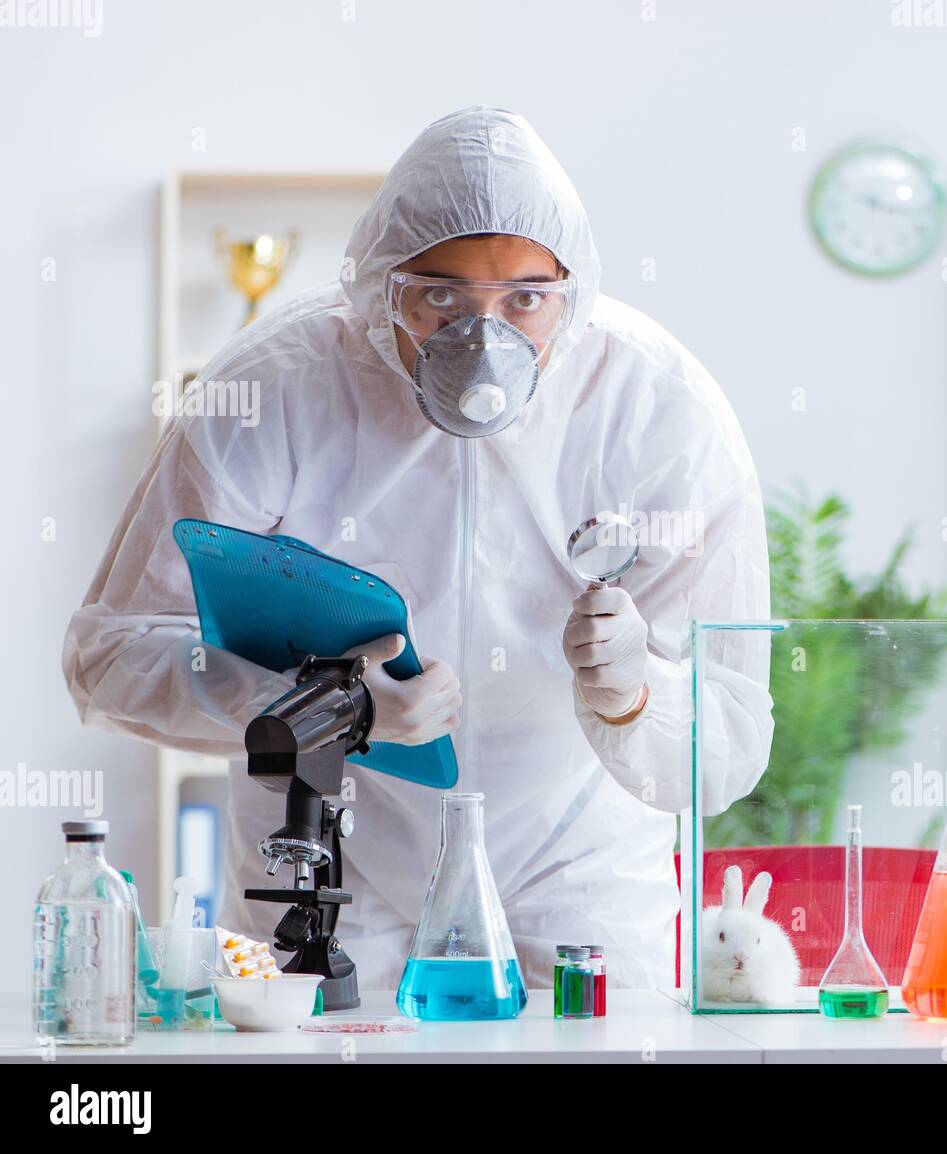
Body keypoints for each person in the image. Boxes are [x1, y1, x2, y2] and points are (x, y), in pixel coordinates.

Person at [63, 106, 772, 990]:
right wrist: (328, 710)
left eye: (525, 300)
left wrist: (636, 695)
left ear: (573, 292)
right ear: (381, 287)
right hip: (332, 859)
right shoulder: (274, 387)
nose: (485, 344)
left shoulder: (656, 408)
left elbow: (730, 739)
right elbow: (112, 653)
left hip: (581, 868)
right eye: (440, 297)